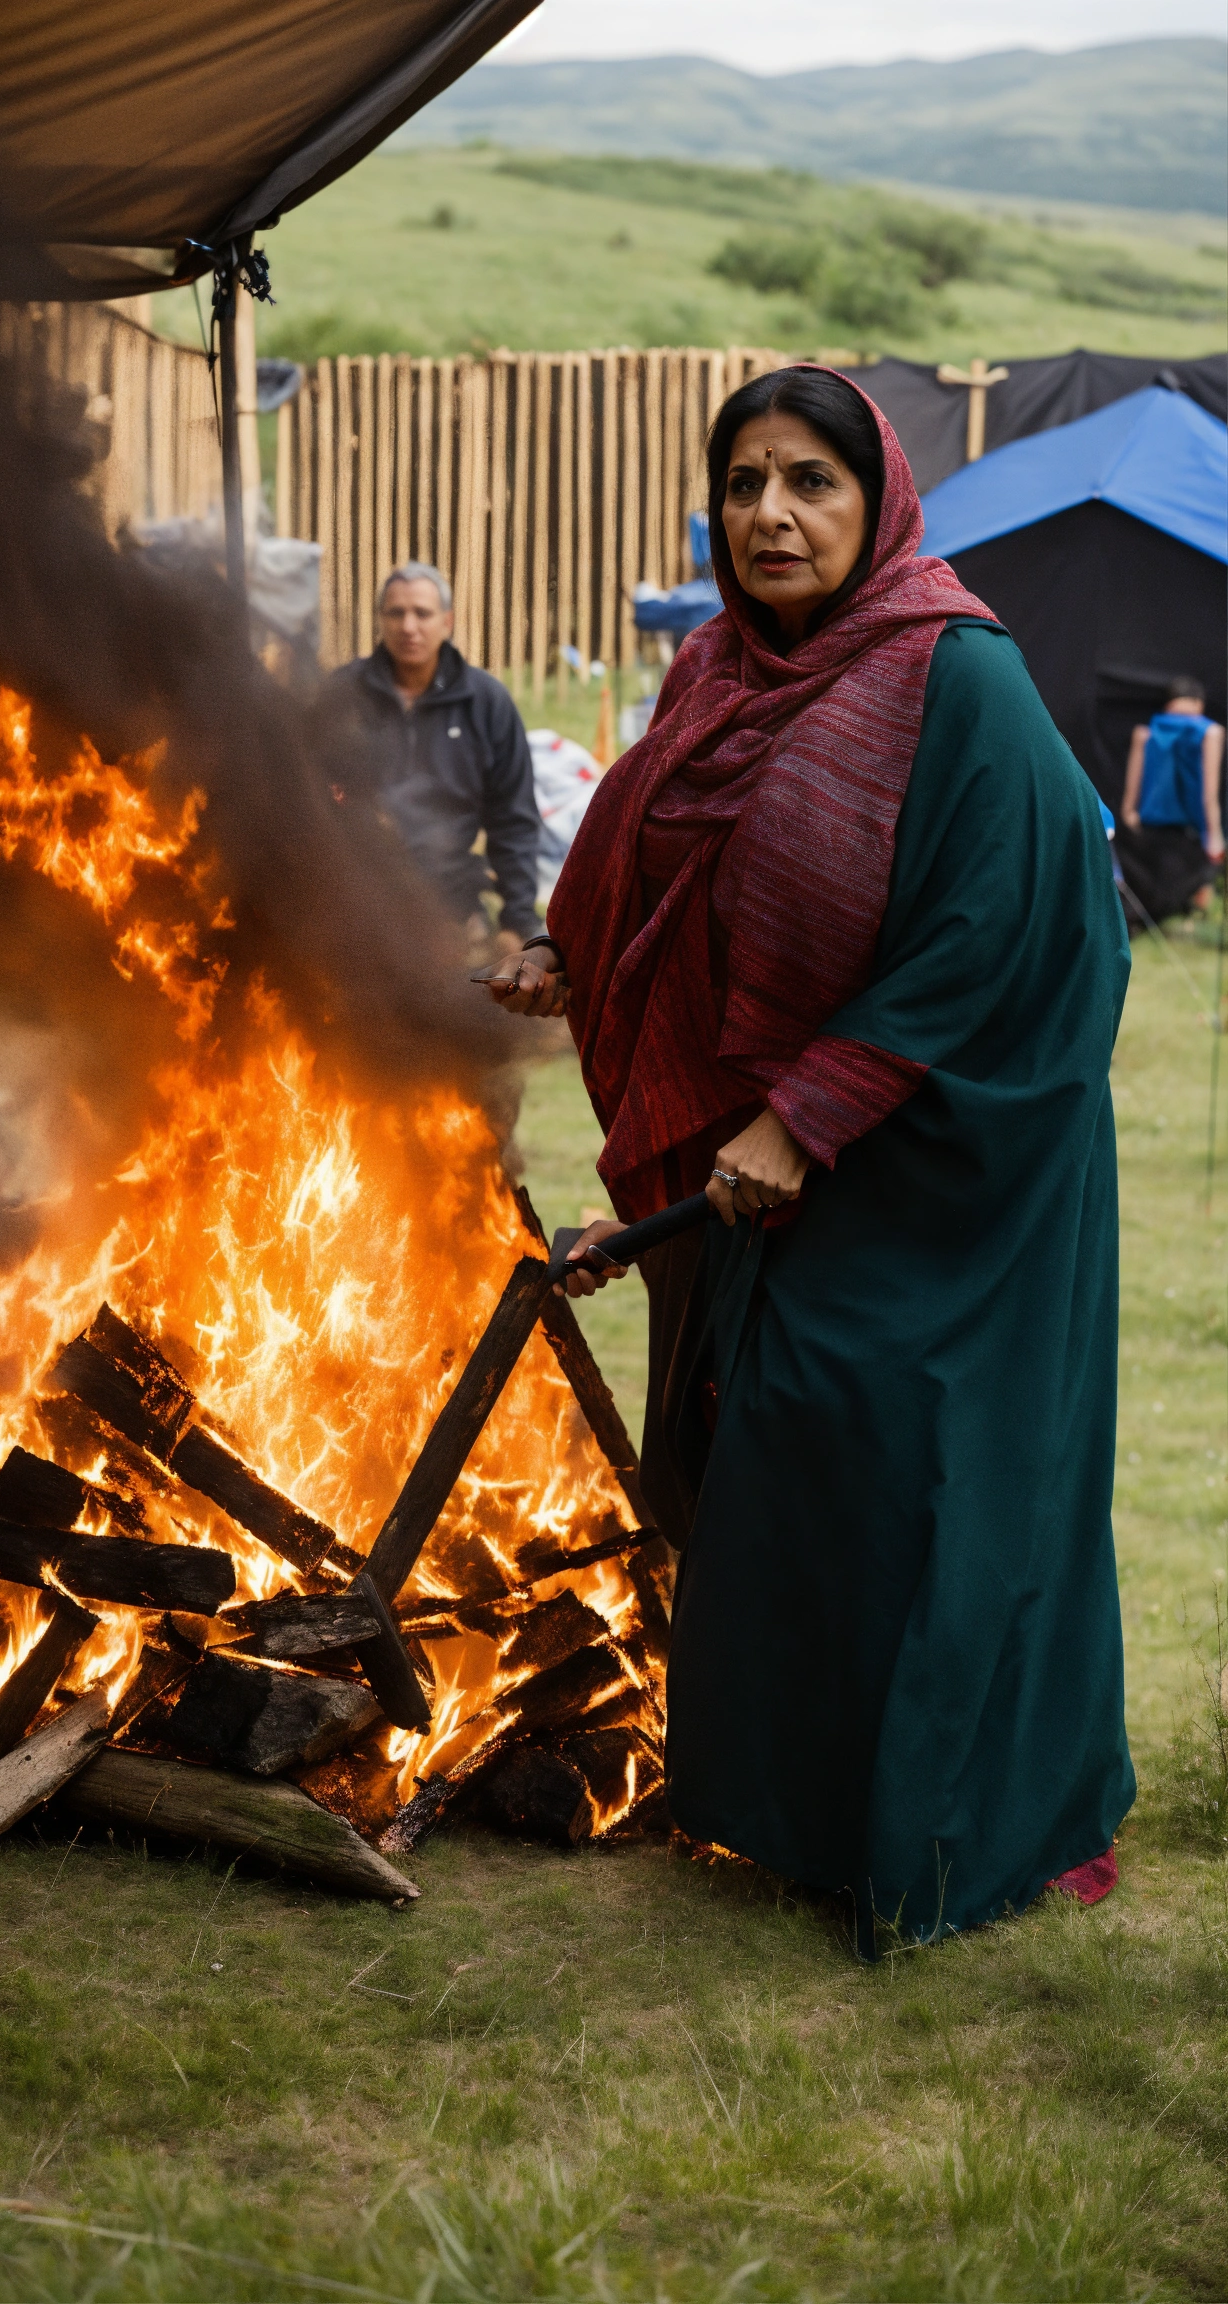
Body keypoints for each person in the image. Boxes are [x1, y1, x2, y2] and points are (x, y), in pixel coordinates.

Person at [485, 366, 1132, 1952]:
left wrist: (813, 1109)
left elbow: (1013, 928)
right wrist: (585, 956)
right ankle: (795, 1820)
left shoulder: (954, 675)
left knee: (916, 1475)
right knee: (772, 1468)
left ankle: (957, 1821)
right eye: (744, 483)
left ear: (878, 500)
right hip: (779, 1168)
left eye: (811, 483)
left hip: (947, 1169)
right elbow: (667, 850)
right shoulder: (717, 668)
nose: (770, 514)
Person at [315, 562, 540, 959]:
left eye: (422, 613)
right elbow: (304, 796)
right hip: (355, 900)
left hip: (450, 903)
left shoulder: (486, 703)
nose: (408, 626)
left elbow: (514, 820)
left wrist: (516, 921)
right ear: (381, 621)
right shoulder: (341, 695)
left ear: (447, 622)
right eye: (396, 613)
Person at [1116, 676, 1224, 926]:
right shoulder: (1210, 732)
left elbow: (1131, 796)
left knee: (1150, 895)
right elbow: (1209, 794)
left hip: (1149, 831)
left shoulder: (1145, 732)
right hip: (1190, 833)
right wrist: (1215, 837)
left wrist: (1131, 817)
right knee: (1190, 887)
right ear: (1199, 703)